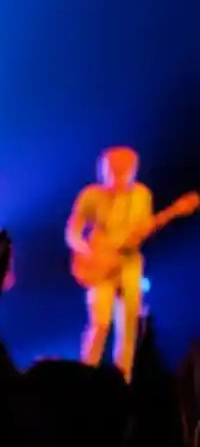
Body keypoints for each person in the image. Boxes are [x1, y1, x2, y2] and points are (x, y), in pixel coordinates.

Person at [65, 146, 153, 379]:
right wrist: (88, 252)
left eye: (124, 171)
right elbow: (72, 232)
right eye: (112, 170)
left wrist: (141, 233)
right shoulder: (91, 195)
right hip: (100, 266)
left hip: (129, 263)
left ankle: (122, 386)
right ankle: (84, 380)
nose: (117, 176)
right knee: (100, 324)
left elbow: (143, 229)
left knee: (128, 328)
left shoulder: (142, 195)